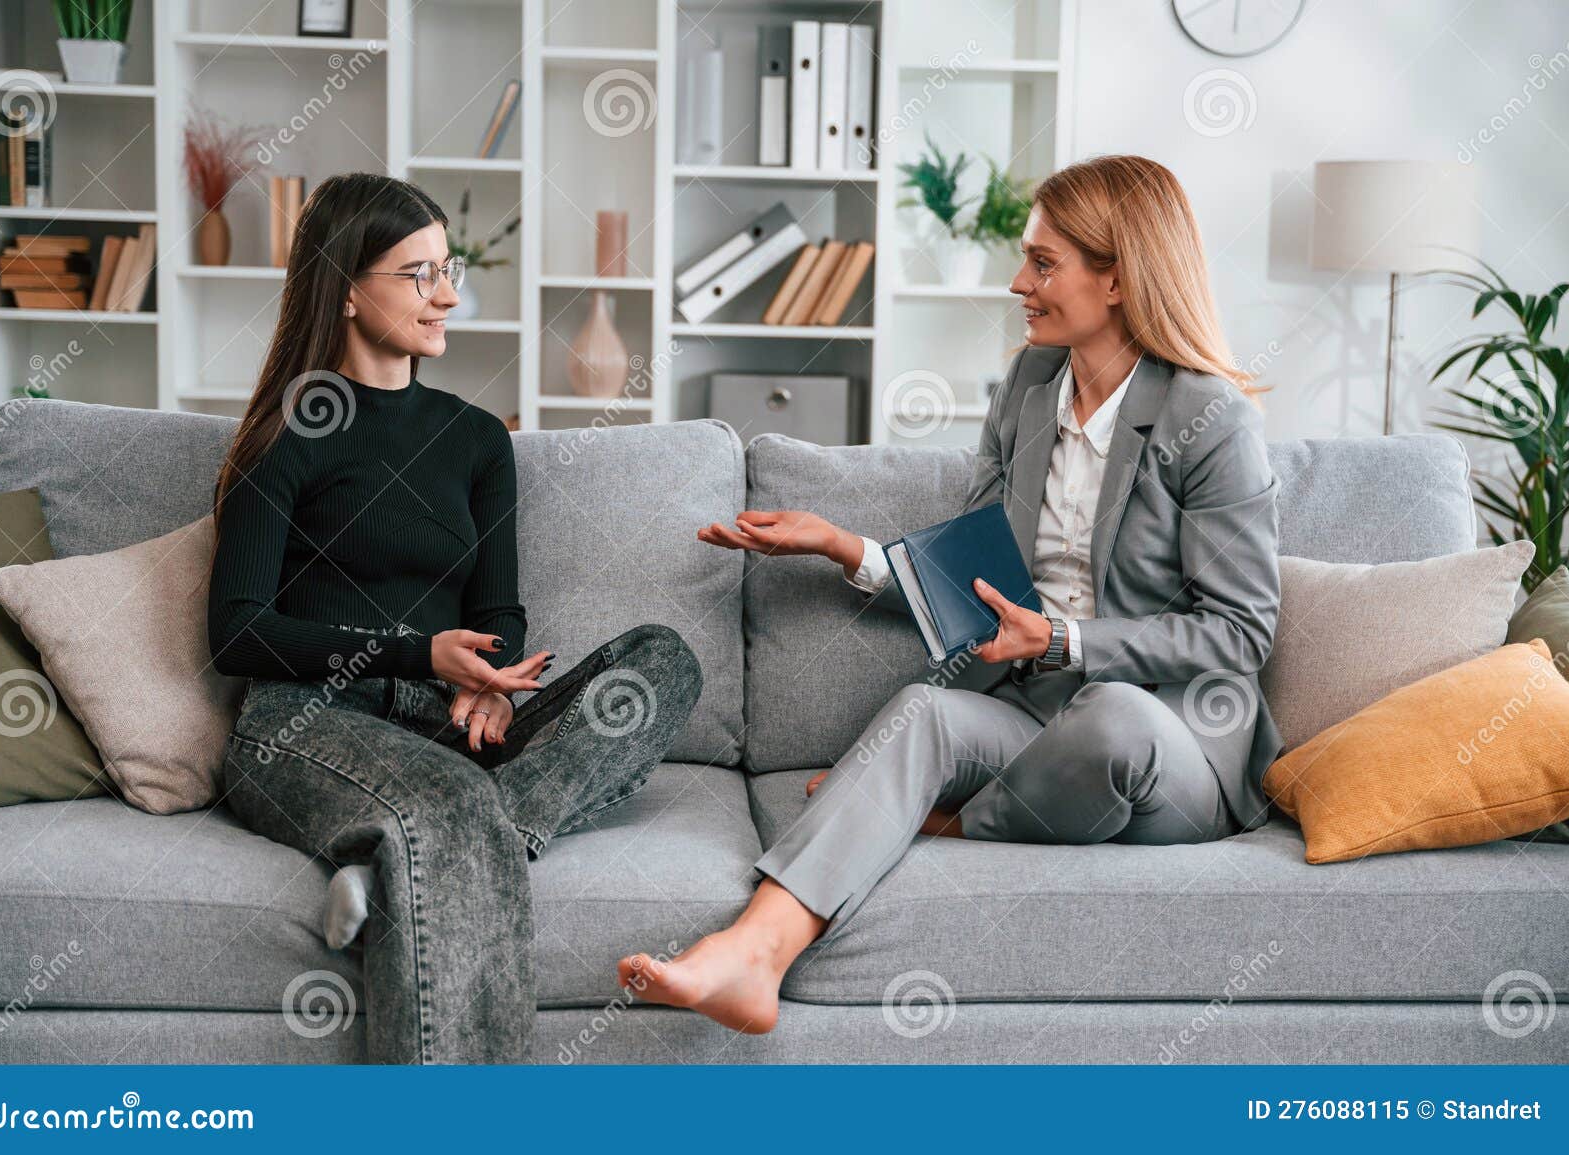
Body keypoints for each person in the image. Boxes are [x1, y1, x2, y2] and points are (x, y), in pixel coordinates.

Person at [619, 154, 1281, 1034]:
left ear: (1117, 277)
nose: (1019, 283)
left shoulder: (1211, 418)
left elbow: (1238, 632)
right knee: (919, 715)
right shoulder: (1027, 389)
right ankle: (753, 954)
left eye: (1044, 264)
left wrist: (1060, 640)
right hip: (1032, 714)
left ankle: (949, 822)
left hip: (1166, 747)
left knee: (1114, 714)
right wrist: (841, 546)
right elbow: (978, 576)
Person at [208, 172, 702, 1063]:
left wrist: (497, 688)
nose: (449, 295)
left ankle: (398, 865)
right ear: (348, 288)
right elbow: (237, 631)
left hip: (449, 727)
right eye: (419, 273)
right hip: (307, 721)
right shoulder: (288, 433)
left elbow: (497, 606)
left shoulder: (477, 439)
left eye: (450, 268)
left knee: (660, 661)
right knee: (449, 804)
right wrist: (415, 652)